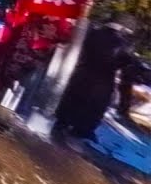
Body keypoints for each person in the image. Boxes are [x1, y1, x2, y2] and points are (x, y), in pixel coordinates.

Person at [53, 13, 138, 141]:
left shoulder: (93, 34)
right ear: (124, 29)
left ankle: (60, 127)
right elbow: (127, 77)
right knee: (83, 128)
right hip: (100, 88)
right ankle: (77, 135)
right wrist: (124, 105)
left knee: (64, 118)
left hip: (80, 79)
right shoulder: (124, 46)